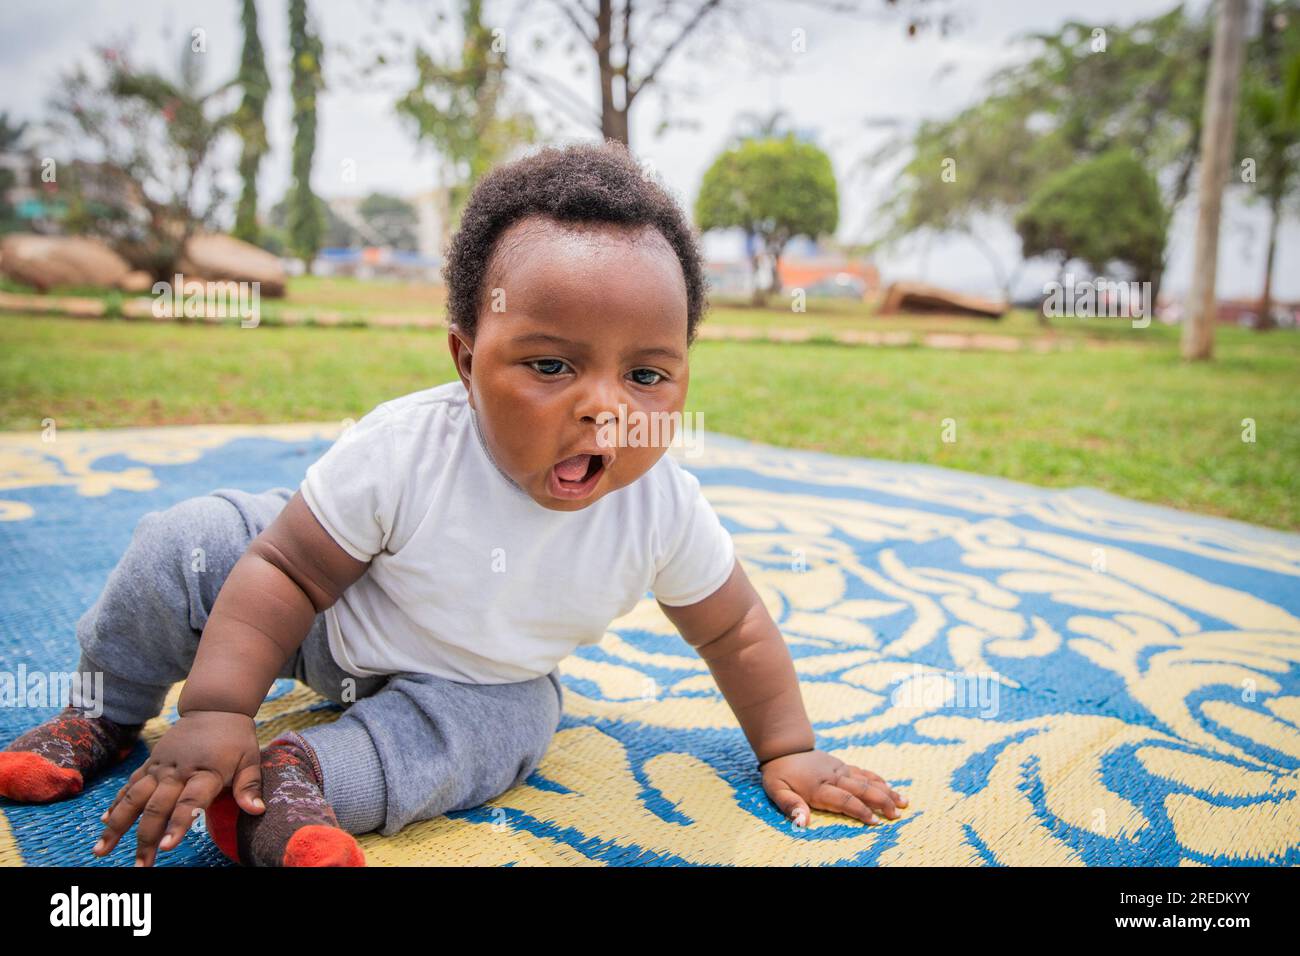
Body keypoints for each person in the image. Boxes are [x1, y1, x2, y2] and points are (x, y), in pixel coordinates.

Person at [0, 140, 907, 866]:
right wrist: (216, 710)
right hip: (329, 613)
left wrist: (786, 748)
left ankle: (295, 785)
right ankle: (106, 711)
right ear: (467, 362)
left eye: (647, 374)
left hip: (473, 680)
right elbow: (284, 568)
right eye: (550, 365)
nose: (605, 406)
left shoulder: (662, 506)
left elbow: (735, 628)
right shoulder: (410, 449)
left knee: (512, 728)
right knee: (191, 541)